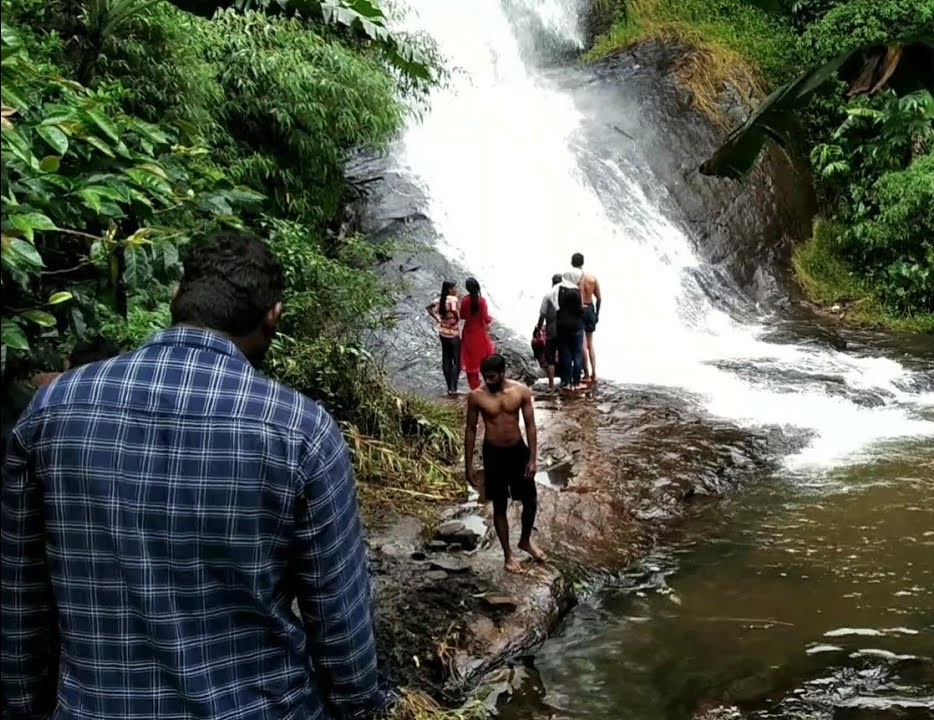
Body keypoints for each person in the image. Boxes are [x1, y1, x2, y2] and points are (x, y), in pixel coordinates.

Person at [1, 233, 388, 720]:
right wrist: (357, 704)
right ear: (274, 316)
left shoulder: (53, 410)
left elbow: (19, 600)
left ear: (175, 297)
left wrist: (24, 705)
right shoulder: (300, 430)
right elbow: (340, 620)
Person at [464, 354, 546, 574]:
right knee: (499, 504)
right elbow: (470, 429)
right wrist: (468, 466)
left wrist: (532, 458)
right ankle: (508, 555)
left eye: (492, 377)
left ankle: (525, 541)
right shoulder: (476, 396)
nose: (487, 381)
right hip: (494, 453)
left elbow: (530, 425)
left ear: (502, 373)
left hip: (517, 450)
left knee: (530, 500)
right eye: (485, 377)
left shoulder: (520, 391)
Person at [459, 277, 495, 391]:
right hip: (480, 333)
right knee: (486, 358)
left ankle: (475, 388)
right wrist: (490, 319)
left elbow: (463, 316)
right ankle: (490, 383)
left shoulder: (464, 301)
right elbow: (486, 318)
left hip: (469, 334)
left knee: (471, 362)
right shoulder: (482, 301)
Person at [570, 253, 602, 384]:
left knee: (582, 345)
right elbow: (599, 298)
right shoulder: (592, 277)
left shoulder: (577, 278)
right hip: (591, 309)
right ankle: (595, 373)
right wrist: (597, 314)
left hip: (581, 310)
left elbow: (577, 297)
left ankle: (587, 374)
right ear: (582, 262)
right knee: (590, 345)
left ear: (572, 263)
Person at [427, 279, 463, 394]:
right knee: (456, 361)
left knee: (446, 359)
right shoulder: (453, 300)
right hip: (454, 334)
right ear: (449, 290)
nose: (456, 290)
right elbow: (456, 313)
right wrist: (457, 319)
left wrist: (437, 318)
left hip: (443, 333)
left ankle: (449, 387)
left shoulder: (438, 301)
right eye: (454, 288)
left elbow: (428, 308)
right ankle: (454, 387)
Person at [555, 274, 586, 391]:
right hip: (576, 326)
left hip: (562, 326)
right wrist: (583, 309)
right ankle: (576, 383)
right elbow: (580, 310)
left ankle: (566, 383)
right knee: (577, 354)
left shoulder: (560, 292)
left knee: (566, 355)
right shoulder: (576, 292)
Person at [534, 273, 563, 388]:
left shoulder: (548, 296)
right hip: (565, 329)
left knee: (550, 357)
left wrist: (539, 328)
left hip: (551, 330)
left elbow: (542, 315)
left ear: (552, 283)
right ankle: (566, 381)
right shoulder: (567, 295)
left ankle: (551, 383)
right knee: (564, 354)